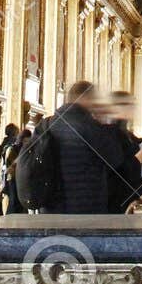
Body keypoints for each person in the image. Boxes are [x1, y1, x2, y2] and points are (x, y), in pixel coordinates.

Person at [50, 82, 117, 214]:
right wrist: (105, 123)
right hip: (85, 206)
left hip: (52, 208)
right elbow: (115, 159)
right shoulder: (89, 126)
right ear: (85, 98)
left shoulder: (48, 123)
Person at [103, 91, 142, 213]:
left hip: (131, 200)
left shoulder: (130, 136)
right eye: (128, 105)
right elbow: (127, 169)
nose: (133, 109)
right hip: (116, 201)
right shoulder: (108, 135)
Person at [0, 122, 19, 213]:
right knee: (13, 201)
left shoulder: (3, 144)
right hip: (12, 176)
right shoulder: (14, 145)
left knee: (7, 199)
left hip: (3, 175)